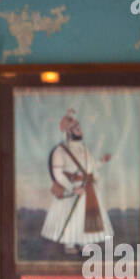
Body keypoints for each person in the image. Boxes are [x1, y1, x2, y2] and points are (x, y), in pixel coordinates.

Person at [40, 108, 113, 254]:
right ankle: (69, 244)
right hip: (72, 189)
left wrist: (101, 162)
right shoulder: (60, 151)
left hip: (88, 189)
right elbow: (58, 173)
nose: (80, 130)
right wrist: (72, 189)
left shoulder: (84, 149)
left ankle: (83, 243)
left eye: (79, 127)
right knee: (71, 216)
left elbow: (90, 168)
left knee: (84, 217)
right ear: (68, 132)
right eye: (76, 128)